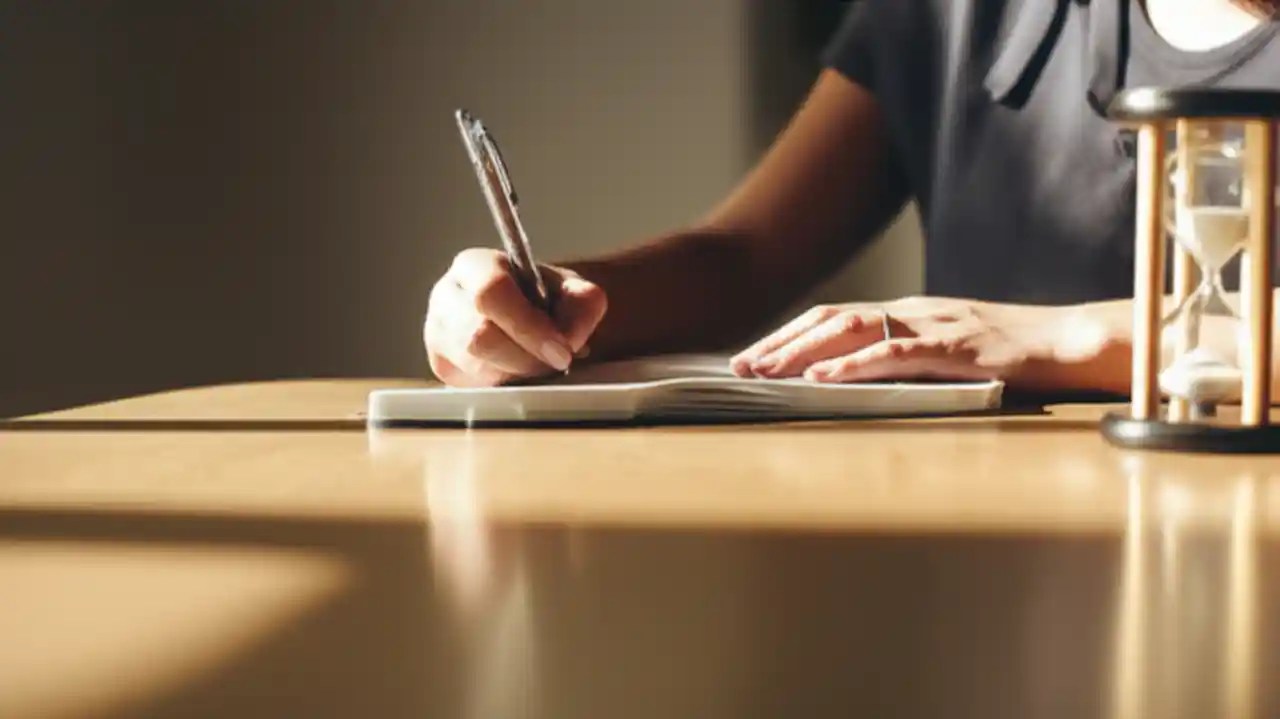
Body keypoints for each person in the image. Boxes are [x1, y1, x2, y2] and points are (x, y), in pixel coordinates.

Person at [425, 0, 1280, 392]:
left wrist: (1052, 333)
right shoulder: (957, 14)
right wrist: (541, 308)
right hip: (984, 550)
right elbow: (746, 261)